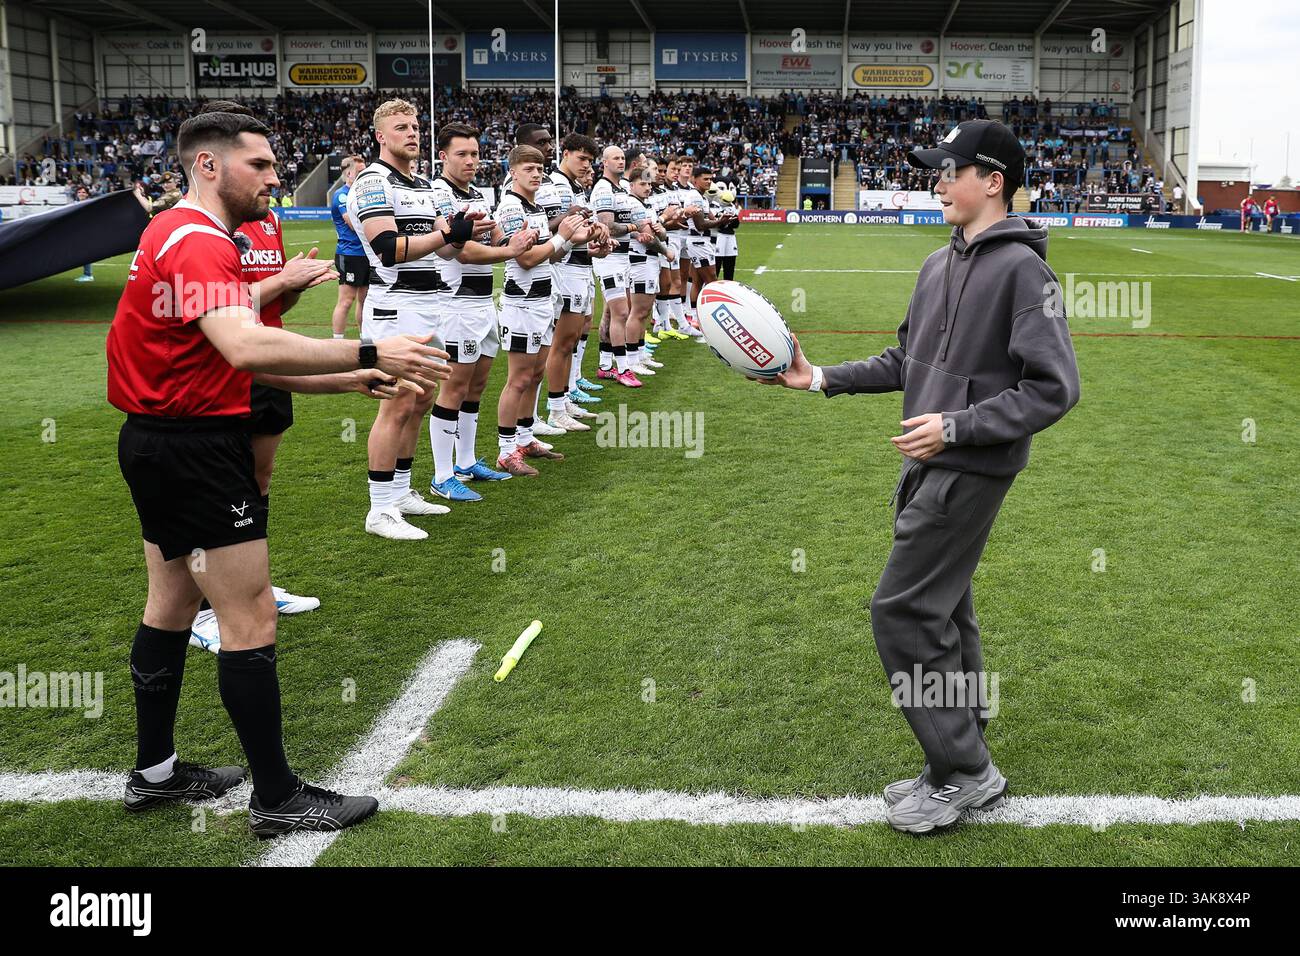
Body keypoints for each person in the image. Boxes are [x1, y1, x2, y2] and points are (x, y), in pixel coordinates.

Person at [107, 107, 450, 837]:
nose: (272, 177)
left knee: (169, 605)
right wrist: (369, 355)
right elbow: (245, 347)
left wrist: (350, 382)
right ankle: (277, 796)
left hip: (162, 440)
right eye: (258, 165)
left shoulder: (181, 231)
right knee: (249, 614)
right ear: (208, 164)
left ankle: (156, 774)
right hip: (193, 452)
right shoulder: (198, 240)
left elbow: (242, 353)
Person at [758, 119, 1080, 834]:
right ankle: (962, 748)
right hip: (928, 460)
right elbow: (906, 362)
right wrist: (820, 379)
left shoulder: (1026, 271)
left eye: (949, 169)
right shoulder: (939, 264)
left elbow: (1055, 387)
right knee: (944, 606)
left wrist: (958, 425)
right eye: (934, 170)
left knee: (901, 613)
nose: (936, 180)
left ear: (992, 181)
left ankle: (964, 769)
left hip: (969, 464)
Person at [348, 99, 494, 539]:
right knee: (396, 404)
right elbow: (389, 248)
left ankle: (402, 490)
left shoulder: (426, 185)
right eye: (400, 127)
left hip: (431, 303)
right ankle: (379, 509)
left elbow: (445, 248)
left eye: (415, 125)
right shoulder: (372, 182)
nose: (412, 133)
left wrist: (466, 231)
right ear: (380, 136)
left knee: (420, 401)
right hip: (397, 306)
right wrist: (446, 233)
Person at [428, 122, 537, 496]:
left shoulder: (477, 193)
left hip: (482, 302)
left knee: (476, 386)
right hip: (455, 304)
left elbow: (490, 239)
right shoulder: (439, 193)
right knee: (453, 388)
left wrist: (513, 235)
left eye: (474, 153)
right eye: (462, 154)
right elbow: (461, 249)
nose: (471, 160)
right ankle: (443, 476)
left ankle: (467, 461)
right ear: (443, 156)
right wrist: (509, 250)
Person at [492, 144, 595, 475]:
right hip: (522, 302)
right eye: (528, 169)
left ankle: (524, 437)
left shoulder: (533, 206)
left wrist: (576, 239)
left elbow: (550, 254)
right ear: (512, 172)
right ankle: (506, 450)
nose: (536, 174)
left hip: (542, 300)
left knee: (536, 373)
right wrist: (562, 236)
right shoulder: (510, 207)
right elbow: (523, 258)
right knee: (518, 378)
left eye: (539, 169)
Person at [330, 154, 369, 339]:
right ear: (348, 174)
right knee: (346, 301)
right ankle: (337, 342)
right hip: (350, 254)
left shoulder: (361, 195)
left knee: (366, 301)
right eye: (360, 172)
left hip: (367, 254)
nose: (364, 176)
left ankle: (365, 338)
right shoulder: (341, 195)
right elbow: (353, 224)